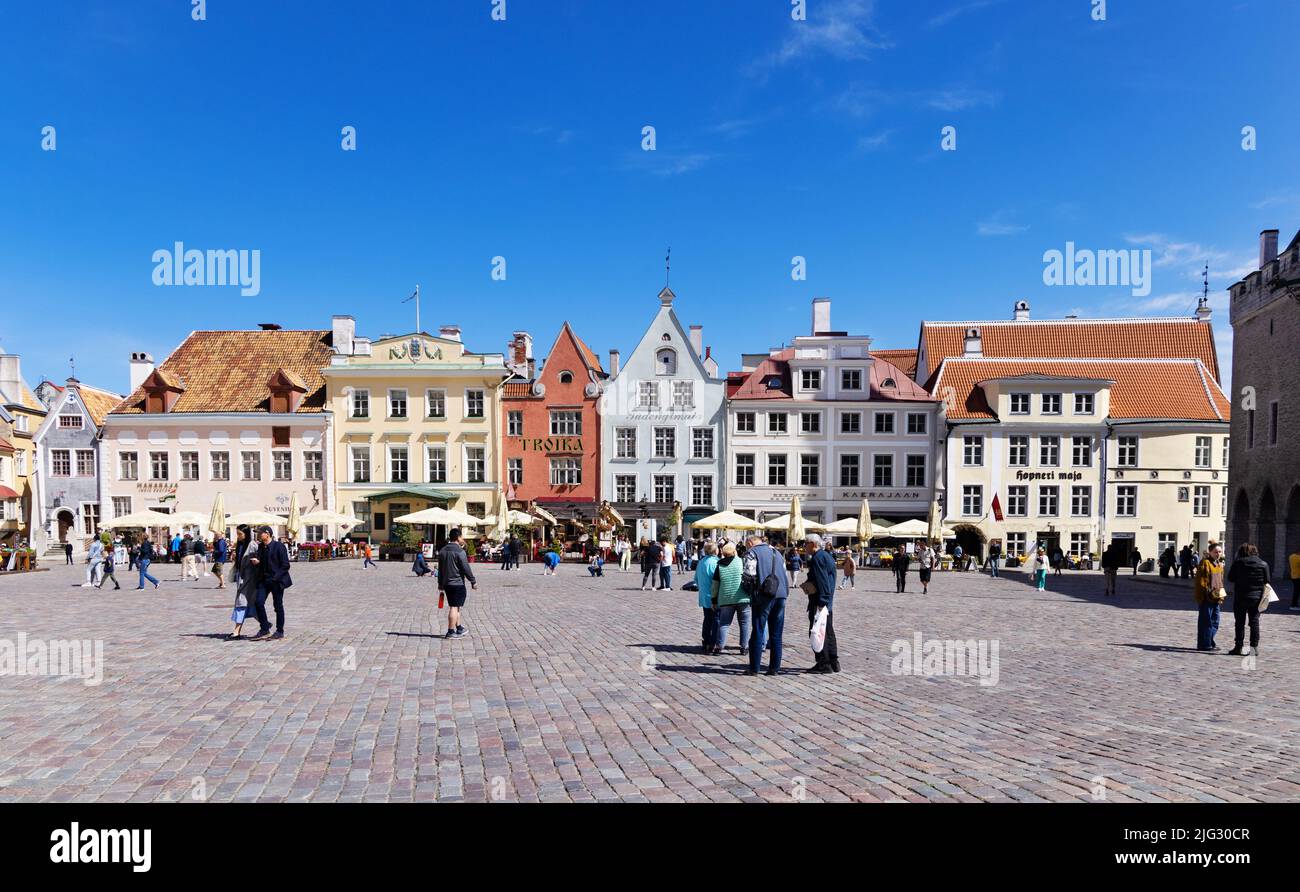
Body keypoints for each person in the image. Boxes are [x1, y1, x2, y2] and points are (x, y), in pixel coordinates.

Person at [745, 534, 788, 676]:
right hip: (781, 594)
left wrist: (749, 593)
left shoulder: (752, 553)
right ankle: (774, 668)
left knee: (758, 629)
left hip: (763, 596)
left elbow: (748, 576)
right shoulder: (777, 553)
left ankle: (754, 668)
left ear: (750, 543)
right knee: (776, 633)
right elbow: (785, 574)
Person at [1226, 544, 1270, 656]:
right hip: (1256, 597)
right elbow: (1267, 580)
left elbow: (1230, 578)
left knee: (1239, 622)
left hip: (1241, 596)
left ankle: (1238, 647)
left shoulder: (1238, 563)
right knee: (1254, 622)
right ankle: (1254, 648)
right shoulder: (1263, 564)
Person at [804, 534, 839, 673]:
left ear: (813, 544)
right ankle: (833, 662)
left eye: (805, 543)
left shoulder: (818, 558)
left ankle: (824, 664)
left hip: (820, 601)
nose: (804, 546)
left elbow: (823, 581)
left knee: (817, 632)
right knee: (828, 631)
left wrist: (822, 601)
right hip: (826, 602)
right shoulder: (825, 555)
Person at [252, 526, 292, 641]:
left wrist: (275, 578)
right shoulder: (261, 547)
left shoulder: (279, 546)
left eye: (260, 533)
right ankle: (264, 628)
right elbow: (262, 563)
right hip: (263, 581)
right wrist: (257, 562)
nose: (258, 535)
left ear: (267, 534)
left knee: (278, 606)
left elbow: (286, 565)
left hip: (276, 581)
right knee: (258, 603)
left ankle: (280, 631)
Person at [437, 528, 477, 639]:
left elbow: (440, 569)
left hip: (446, 583)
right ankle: (450, 631)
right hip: (457, 583)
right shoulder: (460, 552)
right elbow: (466, 568)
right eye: (462, 537)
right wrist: (473, 581)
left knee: (456, 606)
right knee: (454, 607)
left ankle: (459, 627)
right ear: (458, 537)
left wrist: (440, 583)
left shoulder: (442, 551)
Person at [712, 541, 750, 655]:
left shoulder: (719, 565)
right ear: (735, 551)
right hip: (743, 597)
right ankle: (744, 647)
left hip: (726, 598)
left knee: (724, 623)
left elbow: (715, 585)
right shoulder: (742, 562)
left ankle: (719, 646)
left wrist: (714, 600)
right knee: (744, 623)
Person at [1193, 542, 1226, 652]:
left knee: (1215, 621)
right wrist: (1205, 595)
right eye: (1216, 552)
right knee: (1206, 621)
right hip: (1207, 598)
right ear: (1210, 552)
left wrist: (1221, 595)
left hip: (1216, 597)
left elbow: (1220, 582)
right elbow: (1201, 582)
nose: (1218, 554)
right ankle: (1204, 644)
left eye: (1220, 552)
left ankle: (1209, 641)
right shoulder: (1205, 563)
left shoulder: (1219, 565)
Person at [229, 526, 257, 640]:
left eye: (240, 534)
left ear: (246, 533)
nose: (238, 536)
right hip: (241, 577)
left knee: (241, 603)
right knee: (249, 604)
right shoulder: (240, 545)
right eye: (237, 534)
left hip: (249, 579)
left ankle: (236, 631)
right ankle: (265, 624)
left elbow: (257, 562)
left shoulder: (252, 545)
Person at [695, 541, 720, 654]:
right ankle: (713, 643)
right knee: (716, 619)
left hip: (704, 595)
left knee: (707, 619)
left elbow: (696, 579)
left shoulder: (701, 562)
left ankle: (705, 641)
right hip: (714, 596)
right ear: (715, 550)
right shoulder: (716, 563)